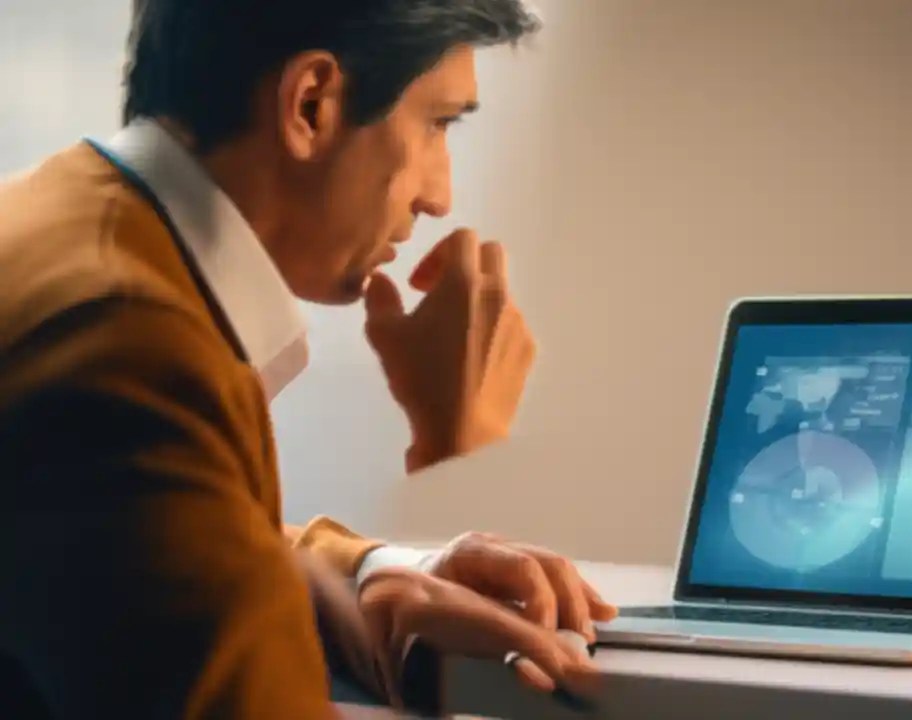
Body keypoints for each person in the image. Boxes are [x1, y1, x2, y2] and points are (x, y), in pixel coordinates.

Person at [0, 0, 616, 716]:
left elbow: (133, 543)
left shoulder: (48, 220)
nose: (440, 198)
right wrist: (458, 447)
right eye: (438, 124)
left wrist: (377, 574)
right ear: (311, 104)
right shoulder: (130, 346)